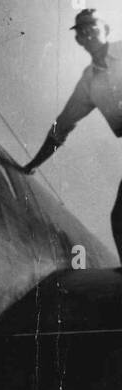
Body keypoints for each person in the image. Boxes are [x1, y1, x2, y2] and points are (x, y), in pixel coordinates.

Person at [21, 8, 122, 261]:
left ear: (107, 30)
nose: (87, 33)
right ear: (77, 40)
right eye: (81, 31)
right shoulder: (89, 82)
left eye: (93, 27)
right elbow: (62, 126)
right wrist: (33, 165)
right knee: (119, 218)